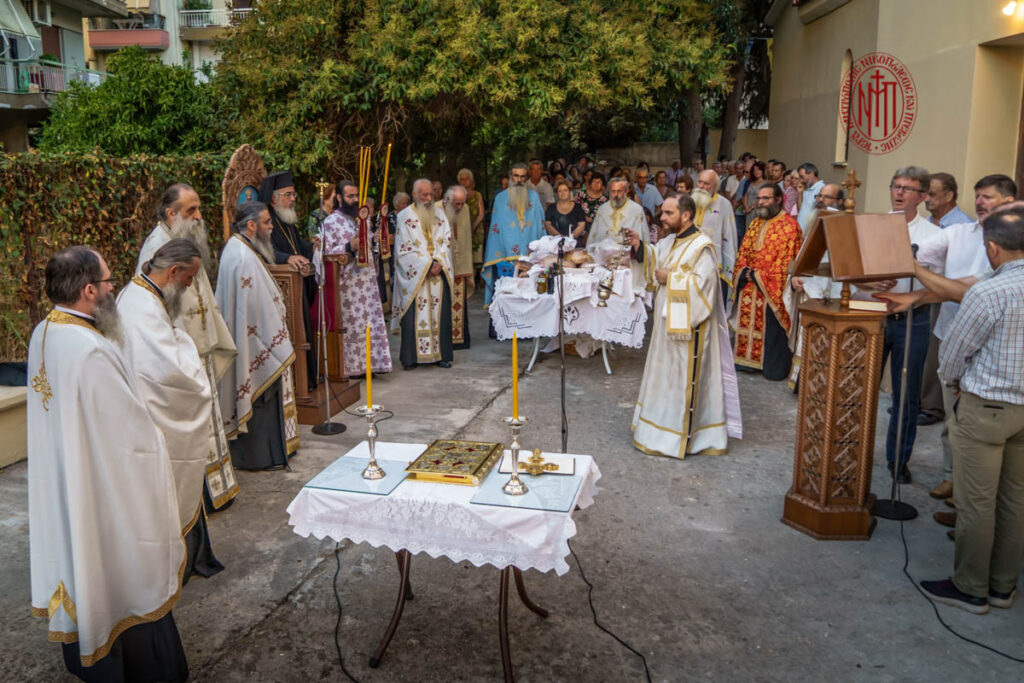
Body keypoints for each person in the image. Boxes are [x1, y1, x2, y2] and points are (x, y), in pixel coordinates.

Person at [28, 246, 188, 682]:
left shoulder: (43, 332)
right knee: (119, 568)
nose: (115, 288)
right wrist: (161, 441)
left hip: (65, 480)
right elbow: (129, 440)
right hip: (99, 490)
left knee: (77, 555)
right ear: (88, 291)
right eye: (109, 282)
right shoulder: (90, 350)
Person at [919, 206, 1024, 615]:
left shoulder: (989, 291)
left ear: (992, 248)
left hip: (987, 406)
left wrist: (955, 385)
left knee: (977, 502)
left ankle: (970, 587)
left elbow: (955, 354)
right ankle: (1003, 586)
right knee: (1015, 500)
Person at [119, 239, 224, 583]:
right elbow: (170, 371)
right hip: (153, 420)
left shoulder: (140, 294)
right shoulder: (143, 308)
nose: (191, 286)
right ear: (174, 272)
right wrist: (185, 343)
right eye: (190, 278)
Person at [137, 184, 240, 512]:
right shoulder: (155, 248)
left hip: (200, 344)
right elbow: (155, 310)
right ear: (171, 213)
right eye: (191, 210)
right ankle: (198, 494)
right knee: (195, 423)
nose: (199, 216)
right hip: (181, 352)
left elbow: (201, 293)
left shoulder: (184, 242)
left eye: (198, 208)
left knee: (209, 419)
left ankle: (218, 487)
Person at [915, 174, 1016, 500]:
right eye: (979, 197)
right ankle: (952, 479)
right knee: (953, 422)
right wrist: (904, 260)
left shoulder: (1012, 245)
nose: (981, 203)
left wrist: (916, 274)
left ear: (1009, 202)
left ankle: (971, 504)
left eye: (989, 197)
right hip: (952, 334)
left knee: (979, 428)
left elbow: (965, 291)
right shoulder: (959, 232)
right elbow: (919, 255)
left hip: (993, 351)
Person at [626, 195, 742, 458]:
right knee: (663, 379)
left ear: (685, 215)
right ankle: (658, 430)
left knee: (681, 383)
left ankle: (683, 437)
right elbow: (656, 257)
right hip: (666, 327)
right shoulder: (671, 240)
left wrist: (672, 278)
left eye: (668, 213)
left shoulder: (702, 247)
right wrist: (639, 246)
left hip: (690, 331)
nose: (662, 218)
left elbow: (706, 288)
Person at [860, 167, 940, 483]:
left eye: (908, 188)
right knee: (862, 390)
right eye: (896, 186)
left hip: (912, 319)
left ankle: (898, 459)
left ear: (921, 197)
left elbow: (943, 285)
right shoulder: (872, 226)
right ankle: (855, 453)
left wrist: (916, 293)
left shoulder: (933, 235)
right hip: (873, 315)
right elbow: (853, 274)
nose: (899, 192)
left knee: (905, 395)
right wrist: (871, 280)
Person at [216, 201, 300, 470]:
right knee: (260, 397)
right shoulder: (241, 256)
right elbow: (254, 307)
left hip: (251, 339)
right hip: (253, 342)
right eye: (266, 222)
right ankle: (260, 457)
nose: (271, 226)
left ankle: (264, 453)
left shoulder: (240, 249)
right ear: (251, 226)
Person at [321, 180, 393, 377]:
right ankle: (354, 368)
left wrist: (375, 242)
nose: (354, 201)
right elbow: (324, 256)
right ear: (339, 198)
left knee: (369, 324)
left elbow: (370, 249)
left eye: (356, 197)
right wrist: (347, 247)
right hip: (348, 287)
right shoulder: (330, 223)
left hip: (367, 283)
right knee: (353, 328)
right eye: (350, 196)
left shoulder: (363, 219)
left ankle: (371, 364)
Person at [732, 184, 803, 380]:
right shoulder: (755, 223)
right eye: (760, 198)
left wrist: (758, 275)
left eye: (766, 198)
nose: (760, 202)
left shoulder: (790, 227)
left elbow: (788, 263)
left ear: (779, 200)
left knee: (773, 327)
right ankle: (747, 362)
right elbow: (743, 252)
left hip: (772, 290)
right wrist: (745, 272)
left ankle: (771, 366)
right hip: (749, 284)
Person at [260, 171, 317, 390]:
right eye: (288, 195)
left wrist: (313, 247)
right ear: (273, 198)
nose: (293, 199)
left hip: (297, 284)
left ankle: (309, 381)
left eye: (293, 194)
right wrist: (288, 258)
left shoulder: (286, 218)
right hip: (282, 288)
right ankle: (300, 384)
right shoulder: (266, 220)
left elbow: (298, 246)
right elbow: (265, 250)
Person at [392, 179, 456, 368]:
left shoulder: (440, 214)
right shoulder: (404, 216)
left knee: (440, 315)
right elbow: (403, 248)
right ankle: (412, 358)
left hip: (438, 272)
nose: (428, 199)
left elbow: (447, 240)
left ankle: (441, 356)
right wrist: (426, 265)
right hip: (416, 277)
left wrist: (439, 261)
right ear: (414, 195)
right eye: (424, 195)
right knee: (413, 316)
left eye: (431, 195)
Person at [482, 163, 545, 307]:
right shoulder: (500, 198)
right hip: (505, 259)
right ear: (511, 177)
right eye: (516, 176)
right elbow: (496, 230)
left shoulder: (534, 197)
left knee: (529, 301)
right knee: (507, 301)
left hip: (529, 260)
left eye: (523, 177)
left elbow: (540, 226)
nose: (519, 180)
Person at [590, 176, 650, 297]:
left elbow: (643, 240)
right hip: (604, 265)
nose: (615, 195)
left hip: (628, 265)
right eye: (613, 191)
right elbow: (594, 237)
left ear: (627, 191)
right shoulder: (602, 210)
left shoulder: (636, 210)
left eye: (619, 191)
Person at [692, 170, 738, 307]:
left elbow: (729, 235)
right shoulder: (689, 201)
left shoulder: (724, 204)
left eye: (706, 183)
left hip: (714, 263)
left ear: (715, 186)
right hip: (690, 261)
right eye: (699, 182)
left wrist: (726, 261)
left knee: (713, 306)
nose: (701, 186)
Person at [444, 184, 475, 349]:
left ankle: (459, 340)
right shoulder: (436, 209)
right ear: (448, 199)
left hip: (460, 265)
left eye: (462, 203)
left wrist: (466, 265)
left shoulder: (466, 210)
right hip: (442, 265)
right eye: (457, 203)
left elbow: (466, 239)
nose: (460, 207)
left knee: (459, 303)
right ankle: (444, 340)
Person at [457, 168, 487, 279]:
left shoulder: (477, 195)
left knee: (475, 258)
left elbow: (481, 214)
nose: (464, 182)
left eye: (466, 179)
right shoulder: (457, 195)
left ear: (471, 180)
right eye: (461, 179)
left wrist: (473, 227)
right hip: (461, 231)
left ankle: (474, 281)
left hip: (476, 229)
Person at [796, 162, 825, 234]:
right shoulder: (807, 188)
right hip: (801, 231)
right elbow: (801, 210)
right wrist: (800, 193)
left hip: (809, 232)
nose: (801, 180)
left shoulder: (821, 189)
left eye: (802, 177)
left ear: (811, 173)